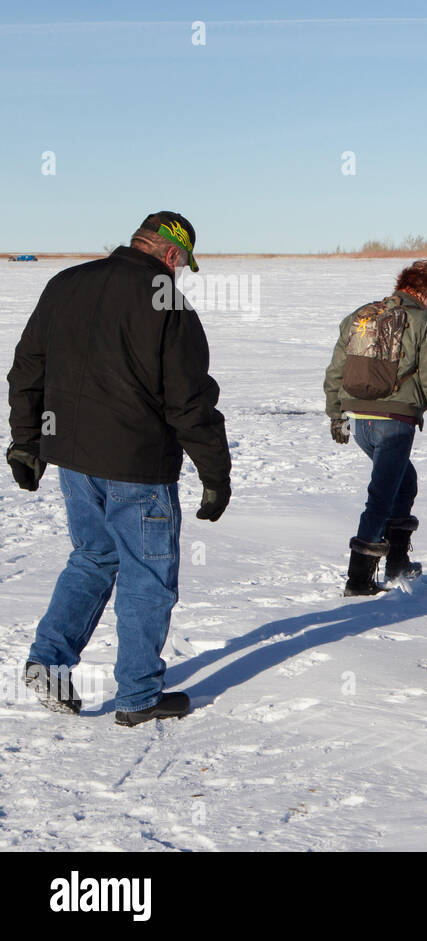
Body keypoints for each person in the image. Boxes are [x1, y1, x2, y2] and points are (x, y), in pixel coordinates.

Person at [6, 211, 231, 726]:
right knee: (147, 577)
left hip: (73, 459)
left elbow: (27, 368)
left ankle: (49, 662)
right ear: (172, 255)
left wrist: (26, 443)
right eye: (181, 264)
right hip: (137, 465)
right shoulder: (167, 301)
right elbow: (190, 401)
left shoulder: (66, 282)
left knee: (91, 557)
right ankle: (138, 696)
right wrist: (215, 474)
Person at [324, 260, 427, 595]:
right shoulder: (424, 322)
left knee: (404, 482)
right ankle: (358, 580)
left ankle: (397, 562)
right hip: (395, 423)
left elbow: (336, 370)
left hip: (360, 421)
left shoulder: (360, 316)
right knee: (382, 495)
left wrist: (336, 414)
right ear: (426, 291)